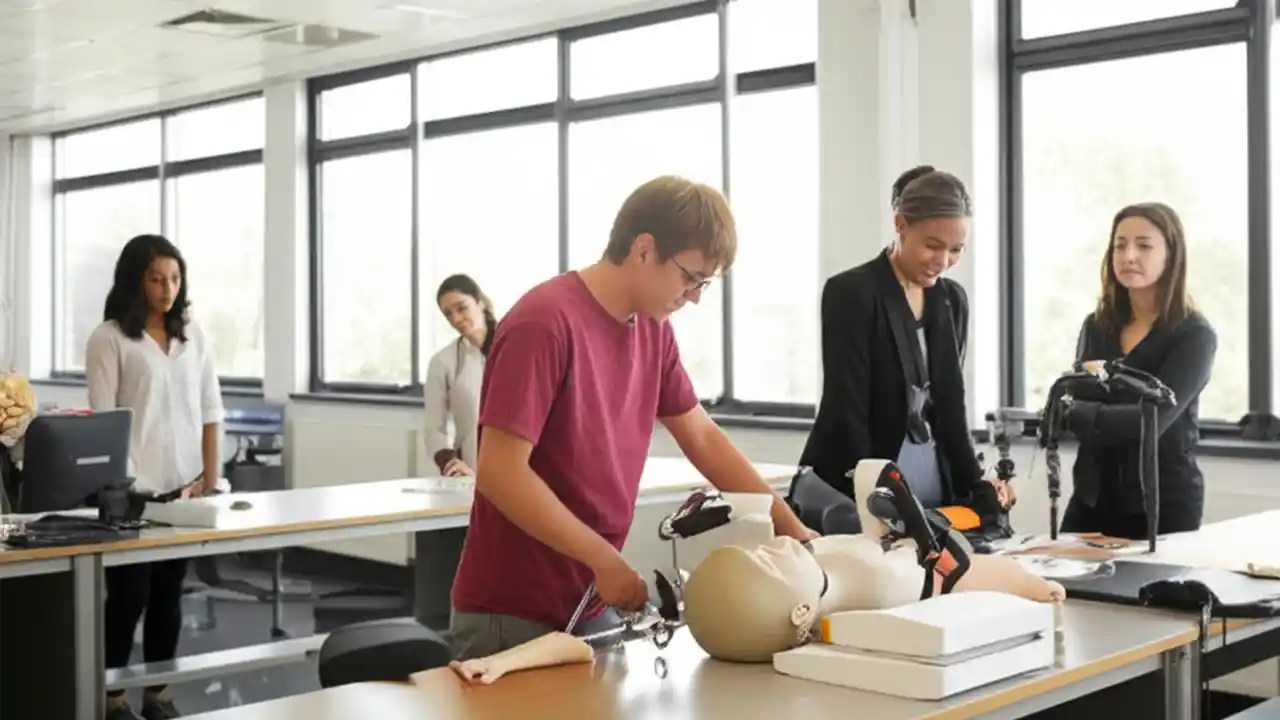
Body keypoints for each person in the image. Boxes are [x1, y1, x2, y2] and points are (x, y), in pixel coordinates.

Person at [448, 175, 815, 660]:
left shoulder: (652, 330)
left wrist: (792, 527)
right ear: (644, 250)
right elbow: (499, 472)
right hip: (513, 609)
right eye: (691, 278)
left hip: (590, 595)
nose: (695, 297)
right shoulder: (545, 322)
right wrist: (602, 557)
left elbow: (702, 437)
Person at [800, 165, 1013, 513]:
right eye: (933, 245)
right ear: (900, 224)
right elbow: (846, 409)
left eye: (956, 250)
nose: (943, 261)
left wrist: (976, 485)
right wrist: (873, 497)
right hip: (860, 477)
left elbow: (949, 405)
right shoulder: (852, 293)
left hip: (929, 471)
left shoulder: (951, 299)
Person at [85, 234, 224, 720]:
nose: (168, 288)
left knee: (169, 596)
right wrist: (122, 490)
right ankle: (111, 697)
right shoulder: (109, 337)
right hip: (131, 494)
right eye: (156, 278)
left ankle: (158, 693)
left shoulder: (193, 332)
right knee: (129, 597)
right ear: (135, 280)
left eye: (175, 278)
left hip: (184, 488)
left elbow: (211, 407)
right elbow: (105, 419)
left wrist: (211, 477)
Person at [1060, 202, 1217, 539]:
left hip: (1162, 504)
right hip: (1091, 497)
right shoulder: (1097, 325)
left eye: (1144, 245)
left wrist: (1087, 412)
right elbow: (1067, 405)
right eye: (1120, 245)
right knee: (1054, 587)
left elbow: (1151, 422)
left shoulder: (1194, 335)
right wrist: (1095, 410)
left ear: (1171, 255)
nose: (1129, 255)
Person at [423, 274, 496, 477]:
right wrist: (451, 464)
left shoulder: (518, 349)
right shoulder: (443, 362)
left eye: (461, 307)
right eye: (448, 313)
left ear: (480, 301)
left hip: (520, 476)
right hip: (469, 477)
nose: (456, 318)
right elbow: (434, 430)